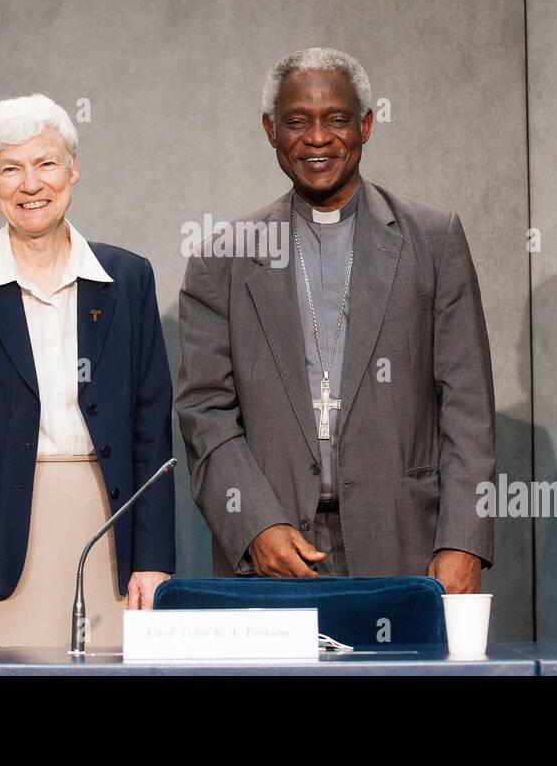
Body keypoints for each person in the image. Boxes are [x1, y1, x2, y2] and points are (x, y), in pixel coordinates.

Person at [176, 47, 496, 591]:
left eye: (337, 120)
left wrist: (463, 540)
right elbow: (204, 410)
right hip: (276, 553)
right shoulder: (223, 257)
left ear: (366, 125)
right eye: (296, 122)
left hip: (407, 544)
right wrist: (255, 524)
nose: (317, 138)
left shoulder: (433, 238)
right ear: (270, 131)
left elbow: (466, 404)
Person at [0, 94, 175, 648]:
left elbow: (152, 428)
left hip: (106, 531)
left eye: (46, 163)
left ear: (73, 169)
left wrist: (153, 559)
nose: (31, 184)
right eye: (10, 168)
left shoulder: (128, 279)